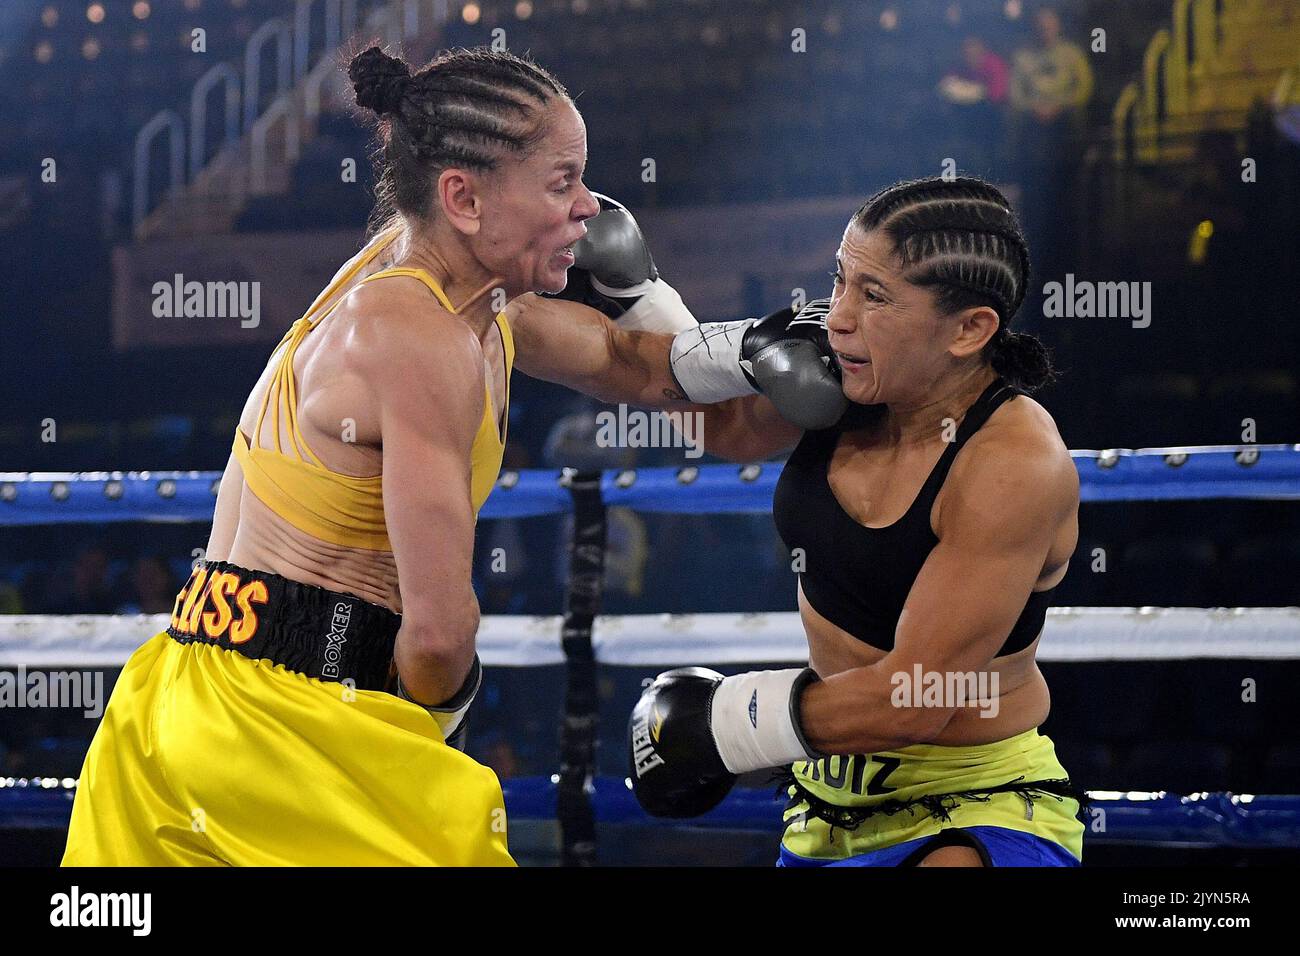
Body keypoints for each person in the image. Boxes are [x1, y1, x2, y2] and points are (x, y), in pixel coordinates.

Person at [65, 44, 612, 867]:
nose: (590, 207)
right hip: (287, 734)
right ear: (462, 197)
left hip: (173, 706)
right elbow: (436, 634)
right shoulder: (419, 335)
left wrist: (692, 322)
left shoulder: (438, 286)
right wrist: (425, 736)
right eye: (562, 181)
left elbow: (635, 364)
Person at [627, 176, 1086, 867]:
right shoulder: (849, 377)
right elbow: (719, 423)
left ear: (969, 329)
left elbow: (915, 699)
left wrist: (723, 726)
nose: (835, 316)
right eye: (839, 280)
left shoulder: (1012, 462)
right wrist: (634, 297)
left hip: (973, 806)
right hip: (824, 801)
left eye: (873, 296)